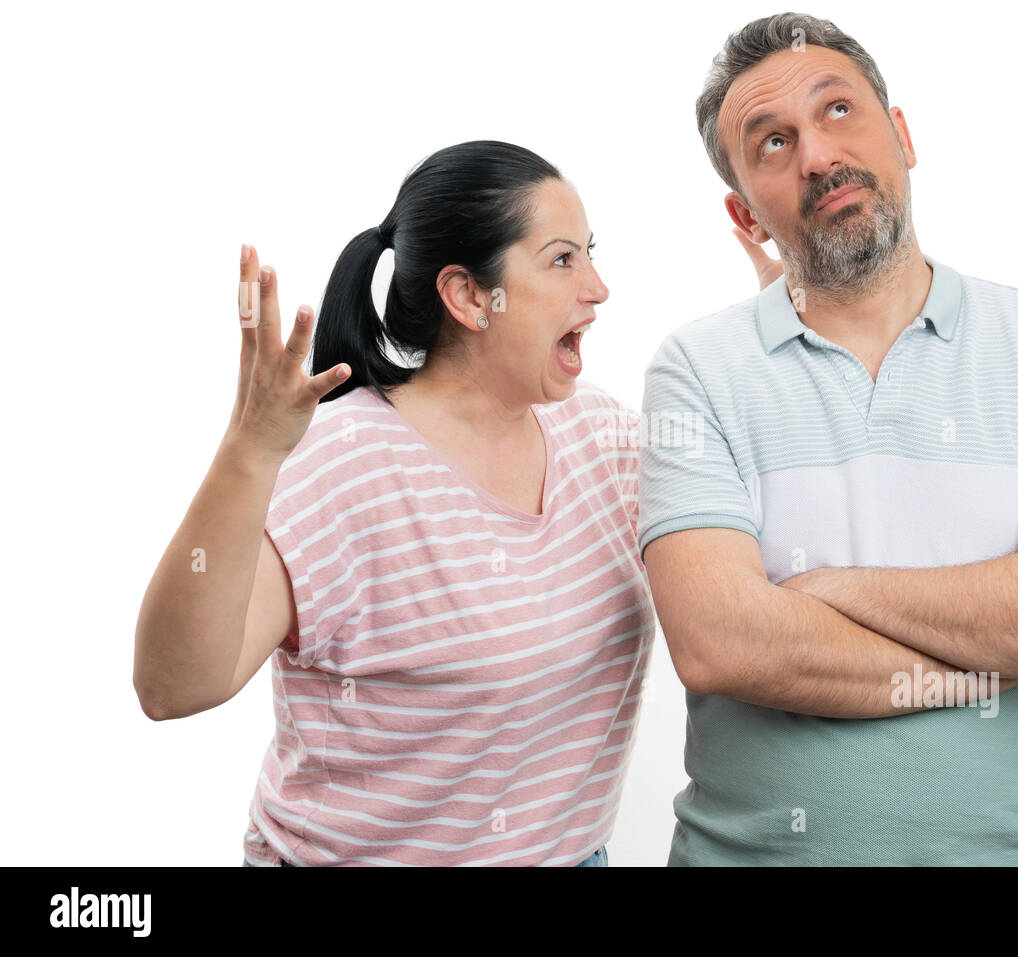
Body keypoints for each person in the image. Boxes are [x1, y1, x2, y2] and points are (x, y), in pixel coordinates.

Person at [638, 13, 1018, 865]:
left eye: (838, 110)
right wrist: (1005, 636)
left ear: (903, 135)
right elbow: (721, 643)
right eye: (772, 142)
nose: (816, 155)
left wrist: (820, 589)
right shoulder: (696, 369)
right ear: (745, 211)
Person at [134, 141, 654, 866]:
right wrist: (248, 453)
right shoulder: (344, 463)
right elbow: (172, 684)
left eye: (589, 253)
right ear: (470, 296)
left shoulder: (606, 437)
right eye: (563, 259)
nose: (597, 287)